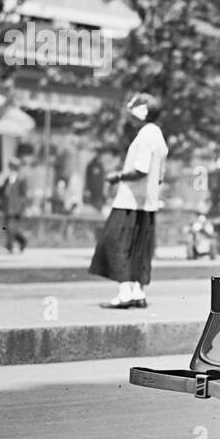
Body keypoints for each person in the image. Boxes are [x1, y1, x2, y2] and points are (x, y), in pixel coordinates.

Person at [89, 93, 168, 308]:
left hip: (130, 202)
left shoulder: (144, 136)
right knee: (140, 248)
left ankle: (124, 293)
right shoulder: (159, 136)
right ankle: (137, 292)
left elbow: (140, 169)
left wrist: (117, 177)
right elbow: (159, 176)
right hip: (148, 204)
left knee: (116, 244)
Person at [0, 158, 29, 253]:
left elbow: (23, 195)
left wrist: (22, 208)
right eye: (11, 166)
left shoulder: (21, 178)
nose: (12, 168)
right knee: (6, 227)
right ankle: (19, 242)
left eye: (14, 166)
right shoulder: (7, 179)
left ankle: (12, 245)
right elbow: (2, 192)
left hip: (16, 208)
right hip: (7, 207)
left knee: (12, 228)